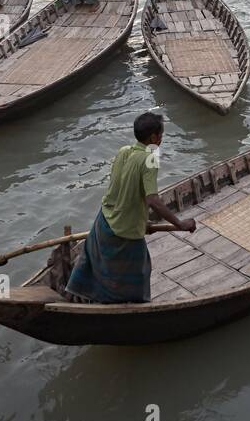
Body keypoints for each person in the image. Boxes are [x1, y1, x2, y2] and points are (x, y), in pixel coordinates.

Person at [60, 111, 196, 304]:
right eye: (161, 135)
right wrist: (180, 223)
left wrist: (144, 221)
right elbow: (152, 200)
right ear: (153, 138)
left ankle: (78, 298)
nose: (162, 139)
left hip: (103, 222)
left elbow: (124, 190)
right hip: (124, 230)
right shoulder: (149, 159)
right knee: (140, 272)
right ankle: (134, 311)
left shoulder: (124, 151)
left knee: (95, 267)